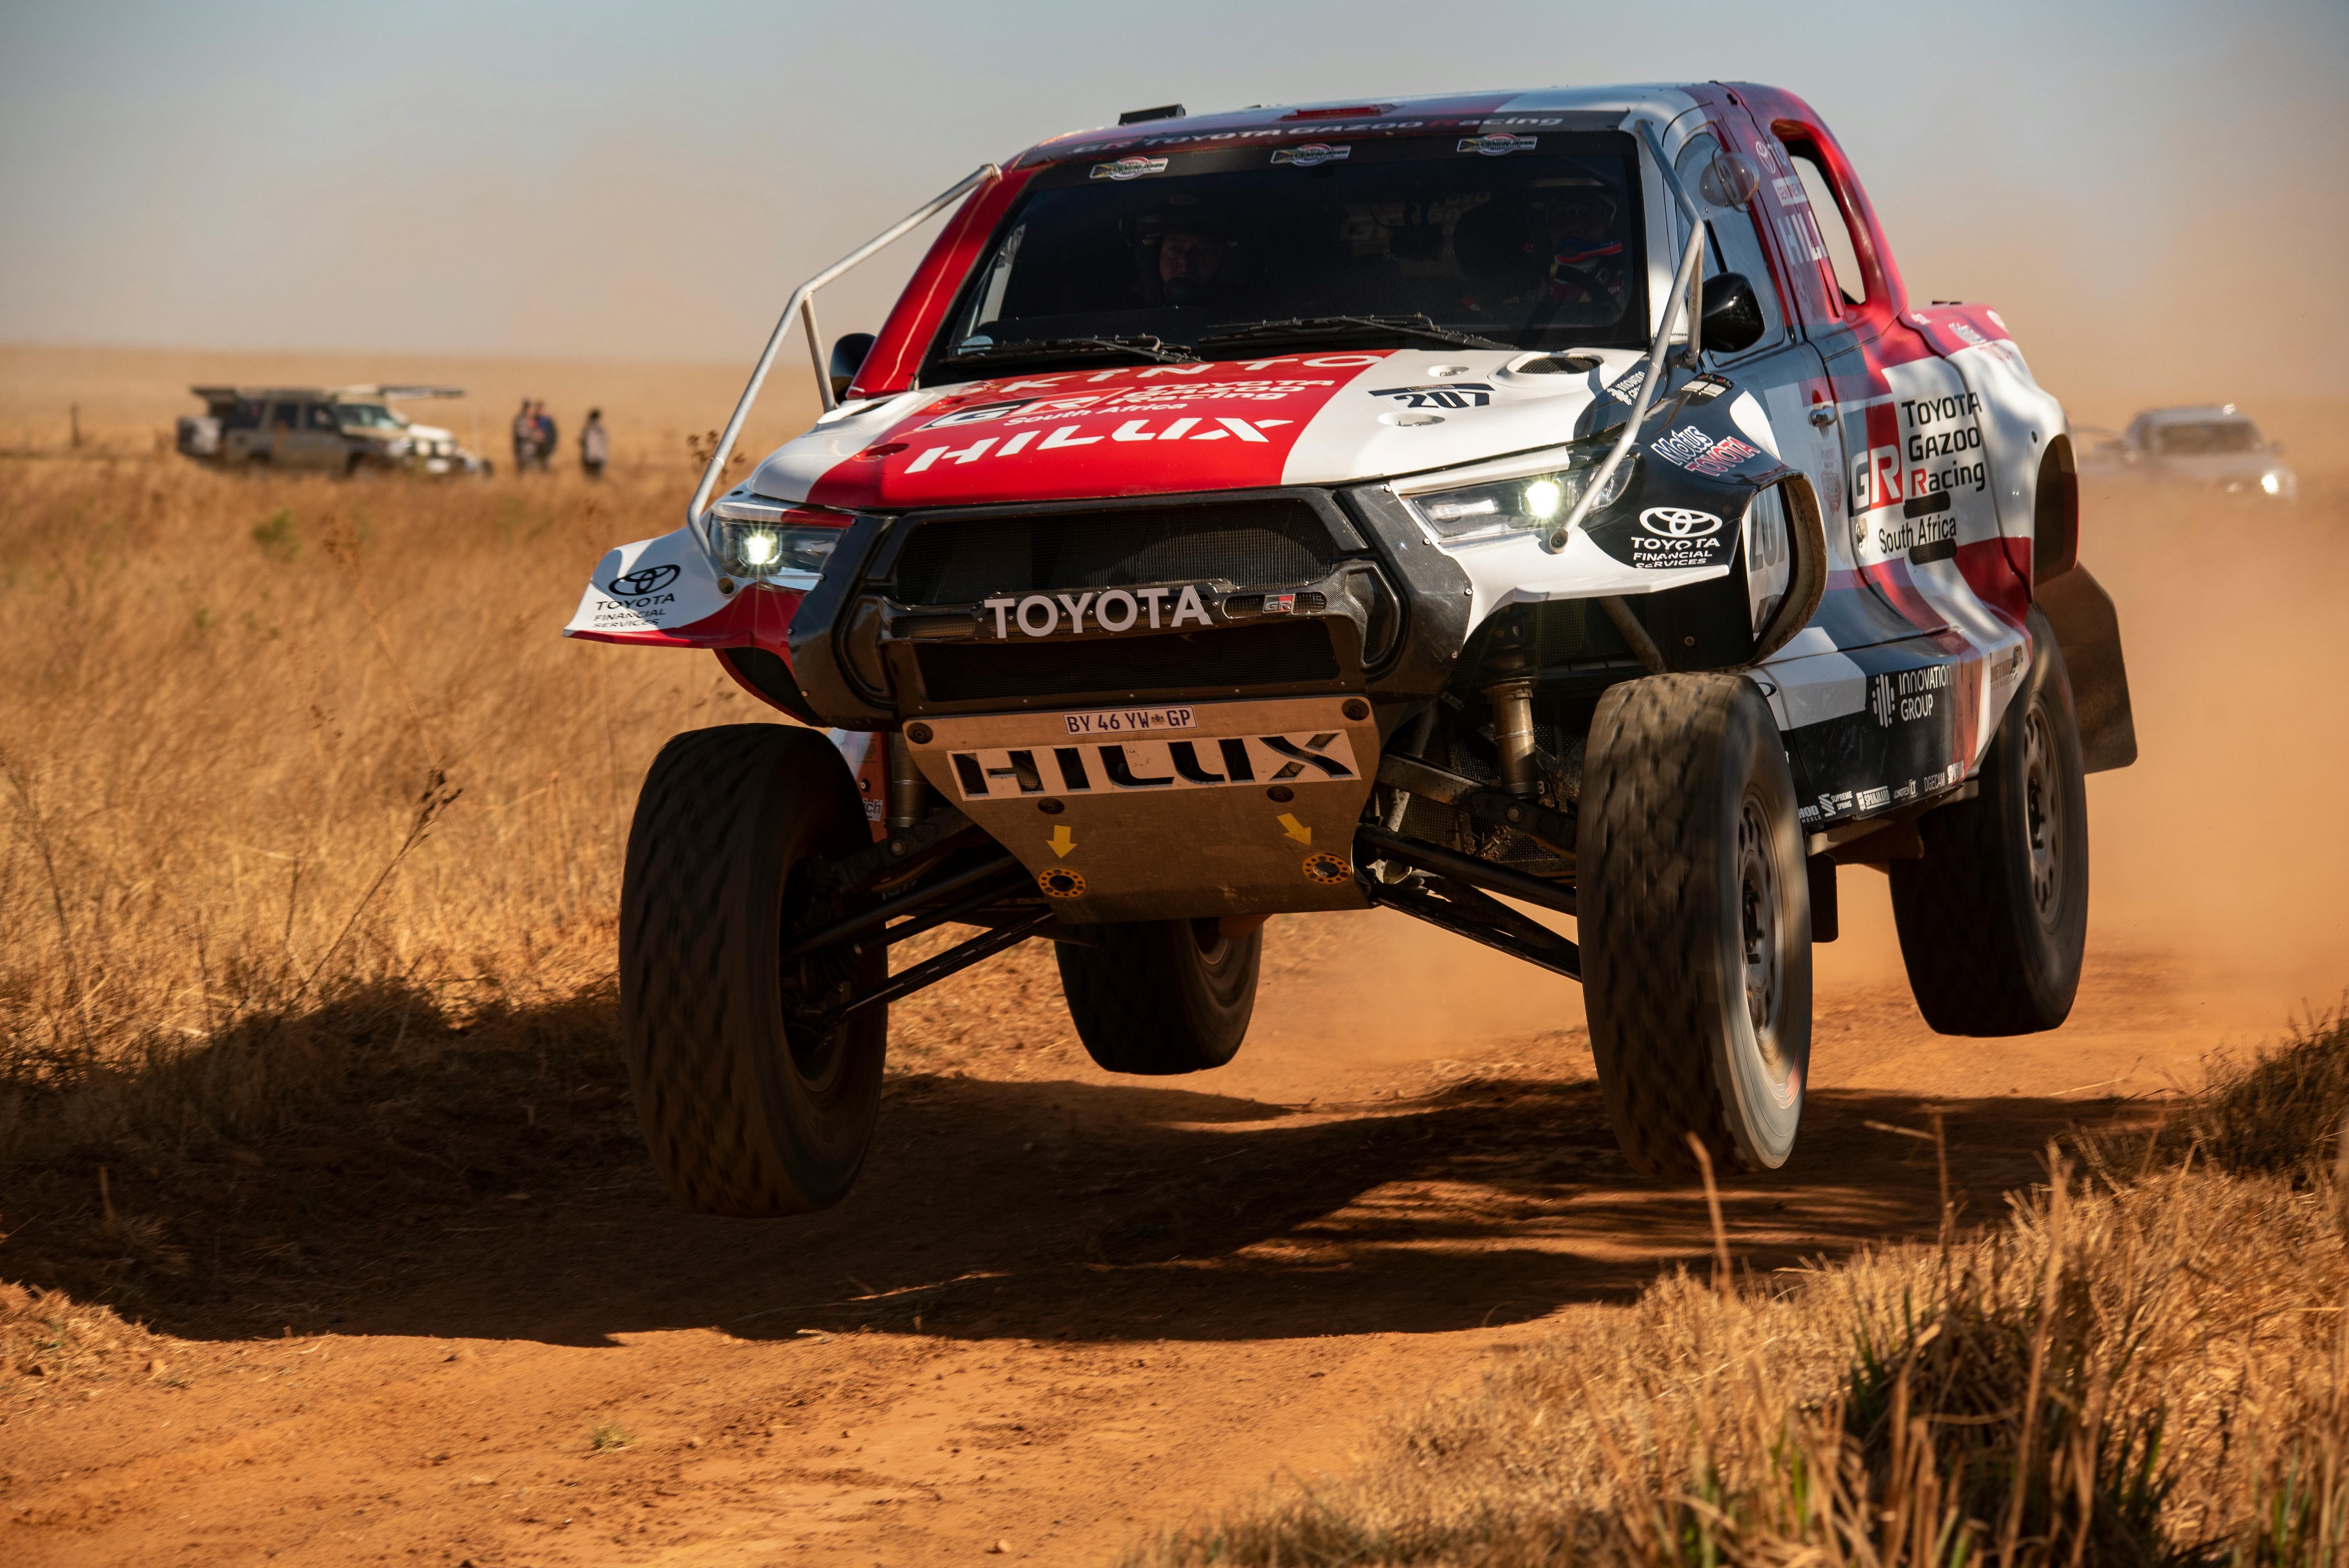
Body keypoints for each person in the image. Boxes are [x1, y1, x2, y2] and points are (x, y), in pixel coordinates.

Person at [579, 408, 609, 479]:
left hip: (589, 458)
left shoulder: (587, 429)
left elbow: (583, 441)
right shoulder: (602, 429)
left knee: (589, 478)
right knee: (598, 478)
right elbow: (607, 440)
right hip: (600, 457)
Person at [511, 398, 536, 473]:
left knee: (532, 474)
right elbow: (521, 433)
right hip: (523, 451)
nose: (531, 410)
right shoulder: (520, 420)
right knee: (524, 473)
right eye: (530, 408)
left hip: (532, 450)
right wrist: (534, 436)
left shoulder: (532, 419)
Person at [533, 402, 558, 472]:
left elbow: (554, 435)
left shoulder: (549, 422)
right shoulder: (534, 421)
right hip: (536, 451)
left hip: (548, 450)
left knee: (548, 469)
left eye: (543, 409)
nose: (542, 411)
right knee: (536, 470)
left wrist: (552, 447)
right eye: (540, 410)